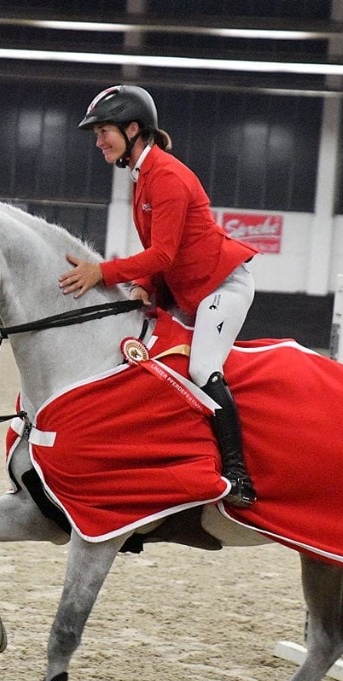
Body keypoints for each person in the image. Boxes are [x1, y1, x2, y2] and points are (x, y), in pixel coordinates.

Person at [57, 84, 259, 507]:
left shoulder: (165, 176)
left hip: (222, 286)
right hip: (187, 291)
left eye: (103, 132)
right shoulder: (143, 176)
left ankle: (238, 475)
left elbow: (162, 253)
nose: (98, 141)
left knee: (202, 367)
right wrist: (142, 287)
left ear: (132, 129)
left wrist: (100, 273)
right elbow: (161, 255)